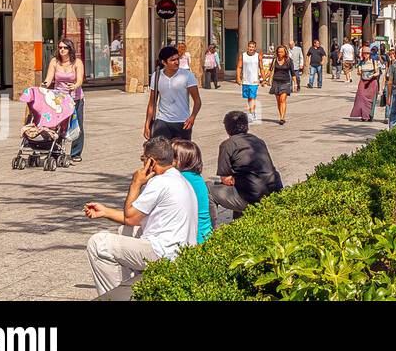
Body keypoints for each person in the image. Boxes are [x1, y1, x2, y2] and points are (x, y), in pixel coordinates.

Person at [83, 136, 198, 296]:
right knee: (126, 231)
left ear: (151, 161)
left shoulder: (159, 182)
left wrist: (136, 183)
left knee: (98, 243)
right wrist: (105, 212)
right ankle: (133, 289)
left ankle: (114, 298)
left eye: (143, 159)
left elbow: (131, 218)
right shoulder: (180, 180)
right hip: (180, 252)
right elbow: (135, 218)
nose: (142, 164)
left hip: (164, 253)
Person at [208, 110, 283, 219]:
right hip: (273, 191)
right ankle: (239, 221)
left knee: (208, 189)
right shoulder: (258, 140)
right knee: (241, 182)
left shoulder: (227, 145)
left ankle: (210, 231)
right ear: (246, 126)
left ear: (227, 128)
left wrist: (234, 179)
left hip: (252, 196)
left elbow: (225, 179)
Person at [145, 45, 201, 141]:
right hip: (162, 122)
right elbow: (152, 103)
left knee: (182, 154)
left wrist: (192, 117)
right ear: (164, 62)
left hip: (183, 122)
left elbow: (197, 101)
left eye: (177, 59)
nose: (177, 62)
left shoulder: (187, 76)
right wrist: (147, 124)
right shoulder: (156, 76)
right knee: (160, 154)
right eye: (172, 60)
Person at [44, 38, 85, 163]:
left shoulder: (77, 62)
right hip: (59, 99)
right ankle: (56, 150)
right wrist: (44, 85)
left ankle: (75, 153)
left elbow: (80, 79)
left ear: (70, 49)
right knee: (57, 124)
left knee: (77, 124)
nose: (62, 49)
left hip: (75, 98)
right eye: (60, 47)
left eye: (65, 48)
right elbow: (49, 79)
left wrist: (75, 85)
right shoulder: (54, 62)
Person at [170, 139, 213, 243]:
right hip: (204, 235)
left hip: (194, 239)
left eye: (171, 155)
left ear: (180, 159)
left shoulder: (182, 179)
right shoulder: (196, 177)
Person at [237, 41, 262, 124]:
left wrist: (263, 78)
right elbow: (239, 67)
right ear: (247, 47)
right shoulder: (243, 55)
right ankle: (252, 112)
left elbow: (261, 67)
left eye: (252, 47)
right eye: (249, 47)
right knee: (249, 98)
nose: (251, 48)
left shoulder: (257, 56)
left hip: (254, 80)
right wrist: (238, 78)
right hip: (246, 80)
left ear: (255, 48)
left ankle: (251, 113)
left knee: (252, 97)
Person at [351, 51, 379, 121]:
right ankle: (364, 115)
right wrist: (359, 72)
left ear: (370, 54)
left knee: (371, 100)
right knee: (361, 97)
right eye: (364, 53)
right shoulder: (361, 62)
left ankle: (370, 116)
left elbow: (377, 72)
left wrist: (372, 75)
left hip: (372, 82)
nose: (365, 55)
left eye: (367, 53)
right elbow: (358, 72)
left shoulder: (373, 62)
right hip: (363, 81)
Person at [269, 44, 293, 125]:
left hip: (285, 82)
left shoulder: (289, 61)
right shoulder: (274, 60)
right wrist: (265, 79)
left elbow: (293, 73)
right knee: (279, 101)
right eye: (278, 52)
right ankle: (281, 115)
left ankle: (282, 118)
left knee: (283, 99)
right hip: (276, 82)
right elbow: (270, 70)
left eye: (281, 52)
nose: (279, 53)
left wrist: (296, 84)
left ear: (285, 53)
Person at [385, 49, 396, 127]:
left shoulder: (393, 66)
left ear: (395, 55)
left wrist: (388, 96)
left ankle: (392, 133)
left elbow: (390, 82)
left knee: (393, 114)